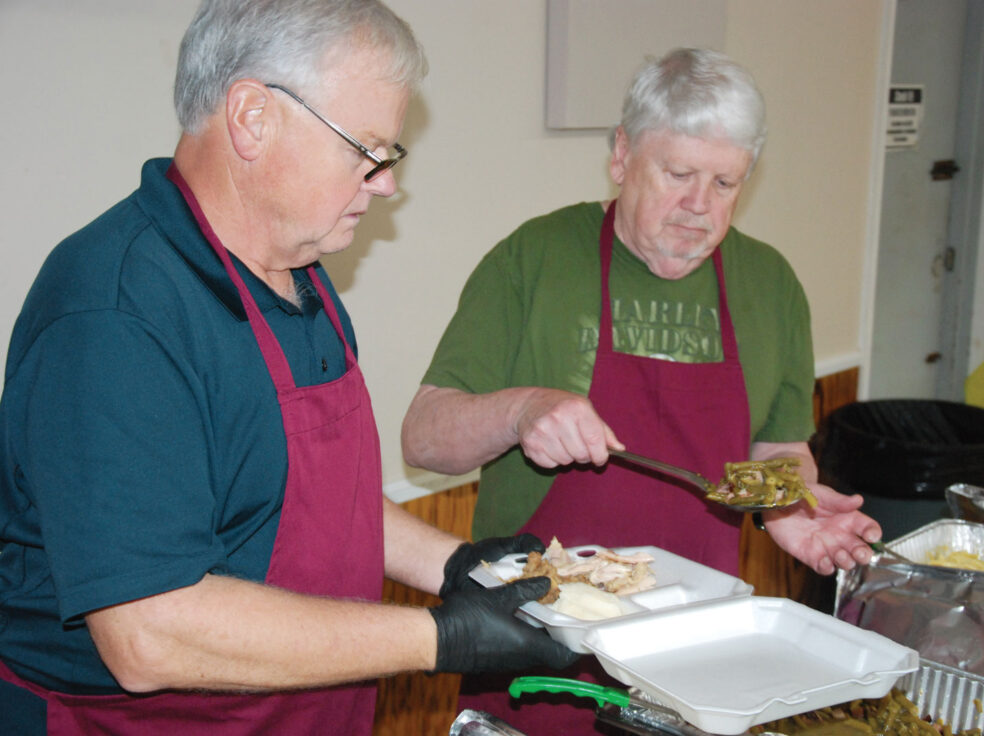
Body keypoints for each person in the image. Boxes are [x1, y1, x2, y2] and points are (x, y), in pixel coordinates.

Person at [0, 2, 578, 734]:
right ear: (252, 117)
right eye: (365, 149)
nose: (385, 184)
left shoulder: (296, 274)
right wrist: (442, 637)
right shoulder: (114, 314)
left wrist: (459, 566)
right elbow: (148, 633)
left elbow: (312, 502)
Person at [402, 47, 885, 733]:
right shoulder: (534, 259)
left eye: (725, 183)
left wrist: (788, 507)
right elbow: (423, 436)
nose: (699, 206)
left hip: (696, 657)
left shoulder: (770, 284)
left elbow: (779, 443)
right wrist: (521, 410)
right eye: (678, 173)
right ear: (622, 154)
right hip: (540, 646)